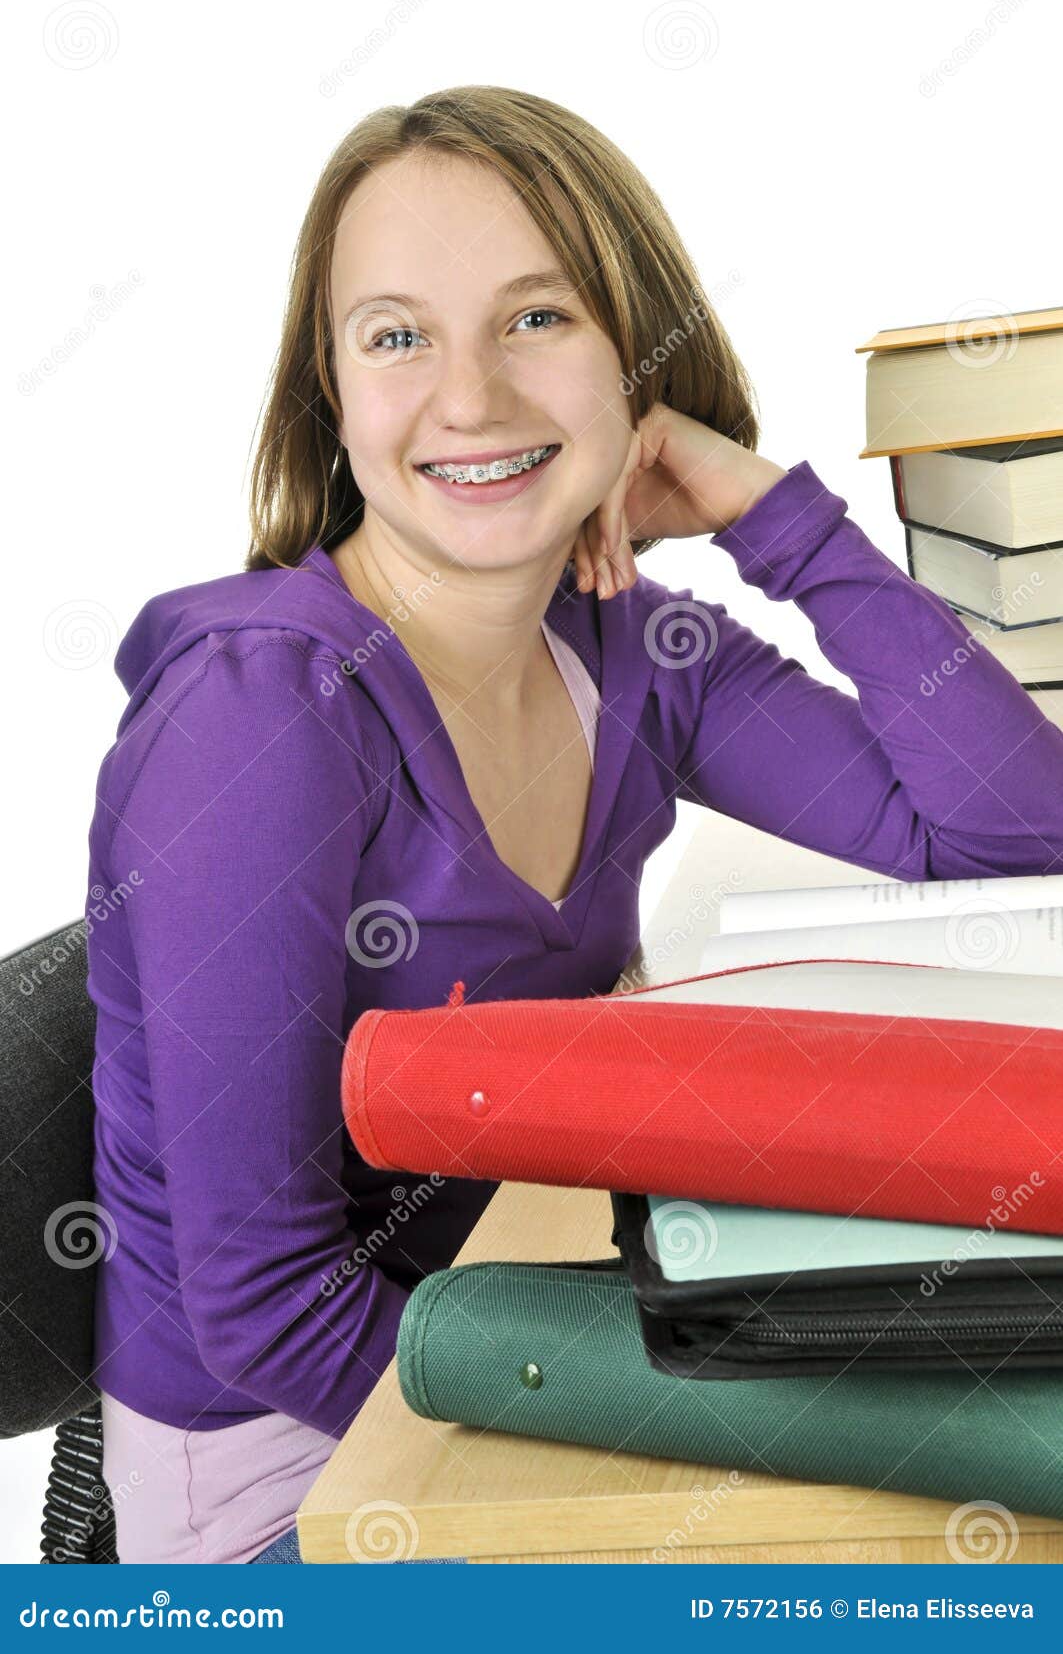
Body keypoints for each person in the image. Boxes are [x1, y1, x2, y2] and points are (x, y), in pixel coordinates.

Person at [85, 84, 1063, 1564]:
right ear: (333, 398)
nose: (469, 397)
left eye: (536, 319)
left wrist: (765, 511)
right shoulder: (263, 712)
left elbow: (1012, 829)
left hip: (504, 1324)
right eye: (397, 334)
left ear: (636, 356)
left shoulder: (631, 651)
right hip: (291, 1479)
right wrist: (644, 1448)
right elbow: (265, 1302)